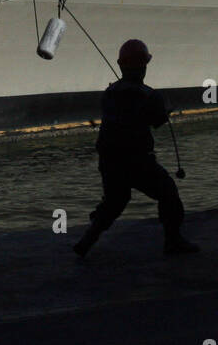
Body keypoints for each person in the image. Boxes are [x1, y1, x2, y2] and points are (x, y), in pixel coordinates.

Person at [72, 39, 199, 258]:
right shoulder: (149, 95)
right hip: (138, 160)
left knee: (115, 202)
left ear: (121, 65)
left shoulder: (110, 92)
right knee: (168, 192)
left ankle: (87, 241)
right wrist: (167, 111)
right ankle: (173, 240)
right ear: (144, 66)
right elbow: (156, 121)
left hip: (110, 159)